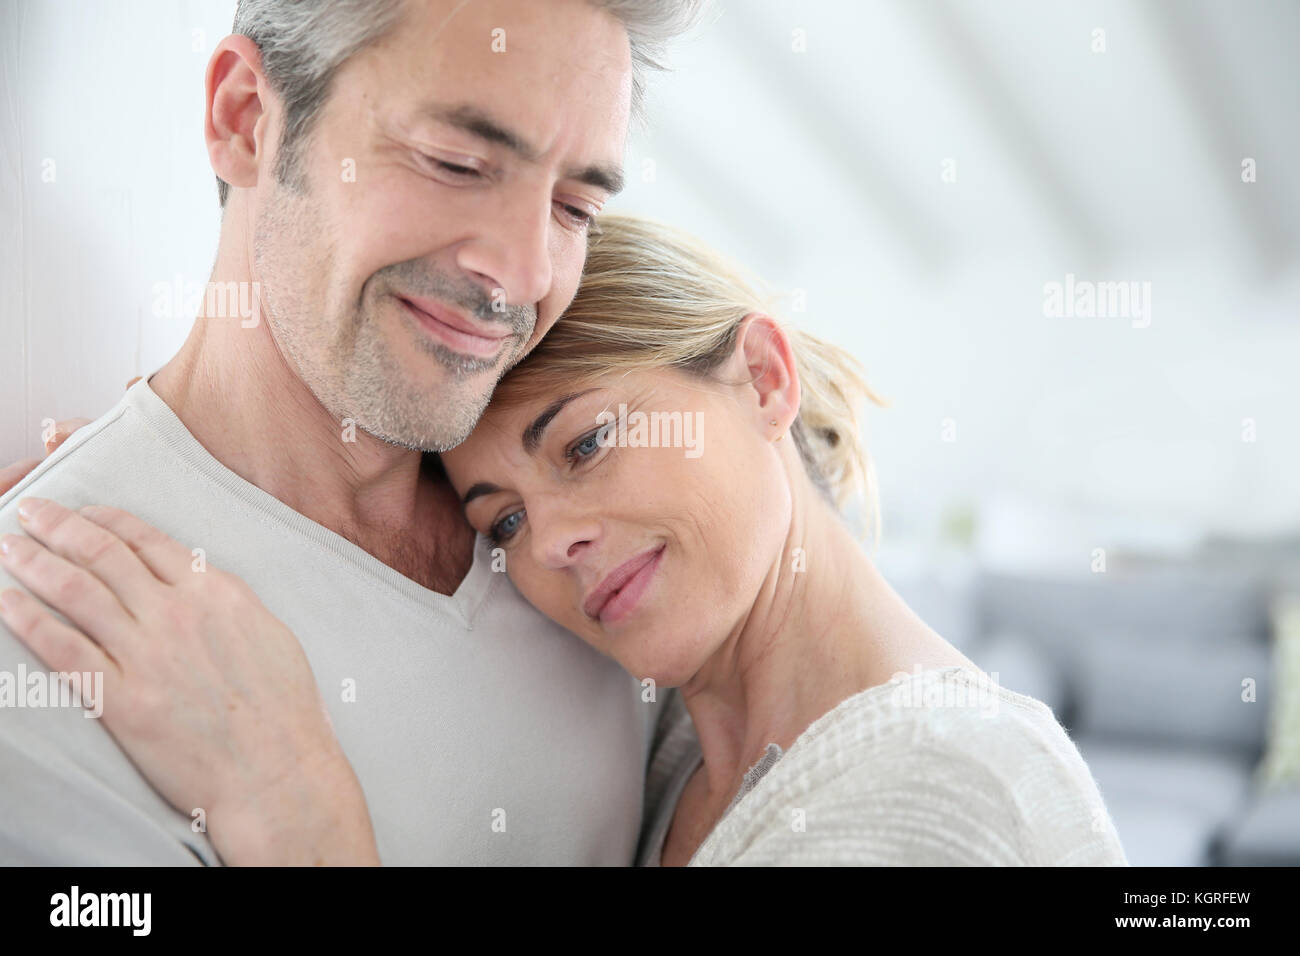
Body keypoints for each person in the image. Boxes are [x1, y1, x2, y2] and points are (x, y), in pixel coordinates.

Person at [1, 214, 1131, 866]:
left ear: (765, 377)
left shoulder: (947, 801)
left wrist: (298, 811)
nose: (556, 548)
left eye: (587, 444)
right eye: (502, 519)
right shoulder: (686, 731)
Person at [0, 0, 706, 865]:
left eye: (574, 209)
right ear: (246, 119)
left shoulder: (588, 551)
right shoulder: (43, 632)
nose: (524, 276)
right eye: (457, 163)